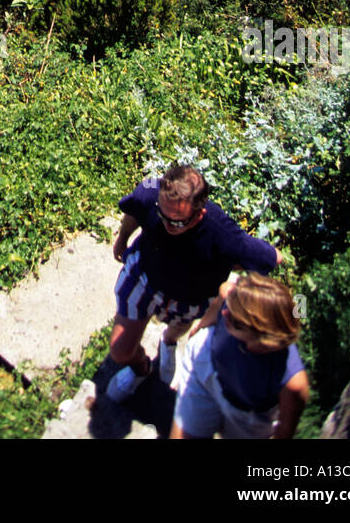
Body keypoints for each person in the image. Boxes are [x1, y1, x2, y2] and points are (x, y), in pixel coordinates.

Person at [106, 163, 280, 402]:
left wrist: (230, 268)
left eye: (177, 222)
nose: (168, 225)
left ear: (199, 214)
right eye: (162, 215)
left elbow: (274, 258)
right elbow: (135, 210)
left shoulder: (223, 233)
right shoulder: (150, 193)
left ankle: (168, 342)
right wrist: (122, 239)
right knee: (120, 351)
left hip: (190, 298)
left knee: (180, 326)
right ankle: (141, 368)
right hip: (144, 277)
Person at [170, 272, 310, 439]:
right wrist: (199, 328)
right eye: (229, 307)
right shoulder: (234, 297)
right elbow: (224, 292)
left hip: (249, 415)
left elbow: (284, 431)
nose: (225, 314)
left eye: (234, 320)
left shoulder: (292, 383)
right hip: (207, 366)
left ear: (264, 342)